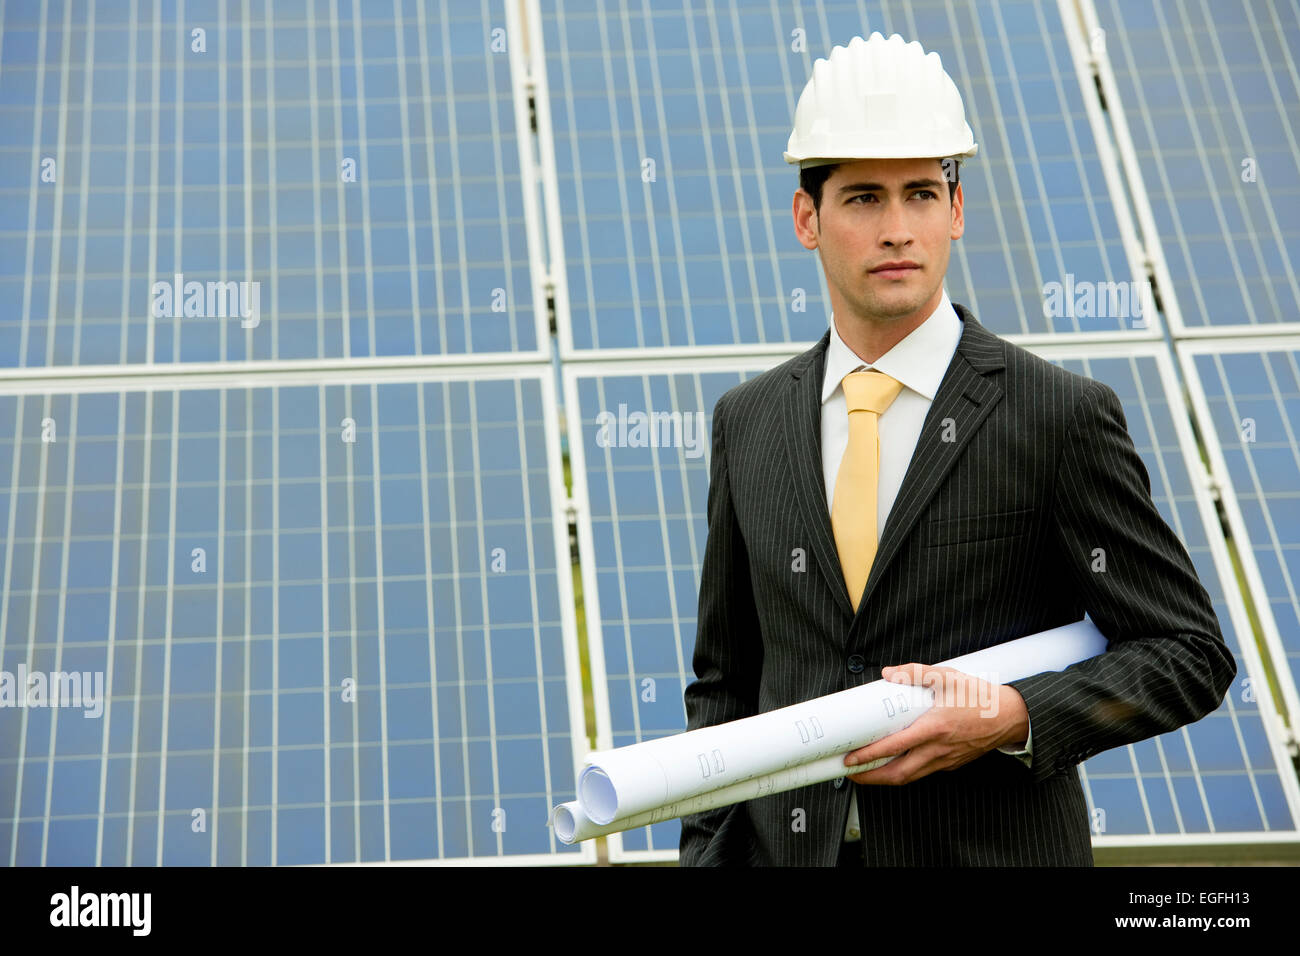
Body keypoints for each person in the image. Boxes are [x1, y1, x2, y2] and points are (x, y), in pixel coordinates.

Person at [678, 33, 1236, 867]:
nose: (898, 229)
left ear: (958, 210)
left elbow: (1188, 654)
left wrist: (1009, 717)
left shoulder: (1059, 415)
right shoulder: (748, 422)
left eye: (921, 195)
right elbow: (726, 682)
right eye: (864, 198)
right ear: (807, 219)